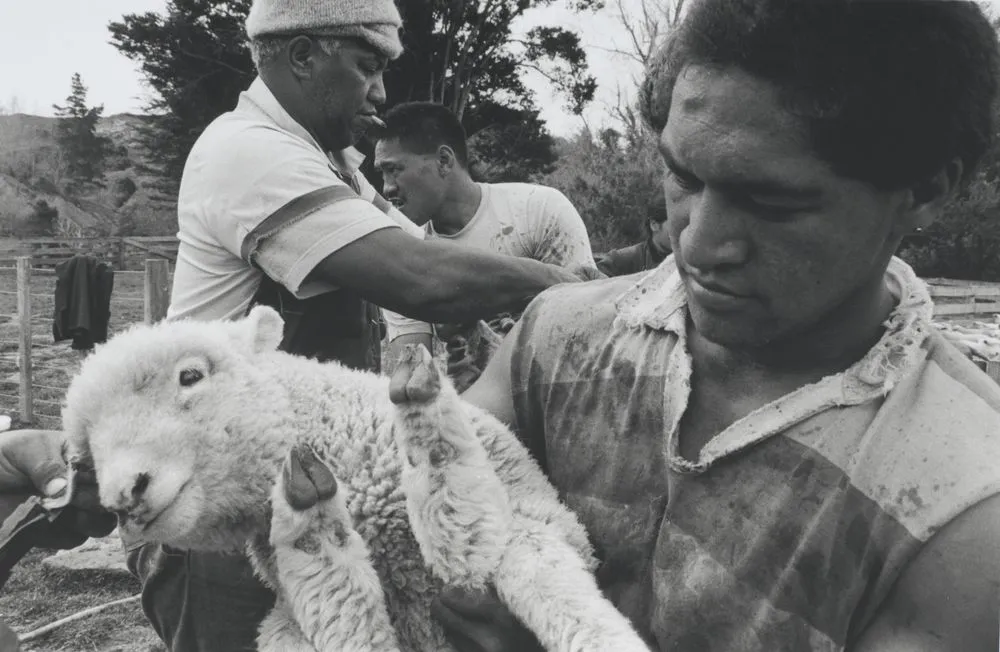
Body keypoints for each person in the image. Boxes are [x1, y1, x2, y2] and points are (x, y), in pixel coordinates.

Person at [0, 2, 579, 651]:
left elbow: (416, 243)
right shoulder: (250, 155)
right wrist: (566, 287)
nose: (382, 92)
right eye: (367, 67)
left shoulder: (339, 167)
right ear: (303, 57)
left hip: (293, 500)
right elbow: (417, 274)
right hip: (217, 519)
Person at [436, 1, 1000, 650]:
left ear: (928, 189)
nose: (700, 246)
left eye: (771, 202)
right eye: (682, 176)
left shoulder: (960, 519)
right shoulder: (555, 341)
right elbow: (417, 487)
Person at [372, 101, 596, 374]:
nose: (387, 188)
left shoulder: (538, 210)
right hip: (475, 404)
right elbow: (412, 370)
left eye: (395, 170)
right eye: (381, 173)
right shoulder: (404, 254)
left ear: (444, 161)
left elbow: (587, 321)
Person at [594, 202, 671, 277]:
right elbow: (591, 283)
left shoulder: (681, 259)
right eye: (674, 225)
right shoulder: (622, 260)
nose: (681, 233)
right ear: (654, 225)